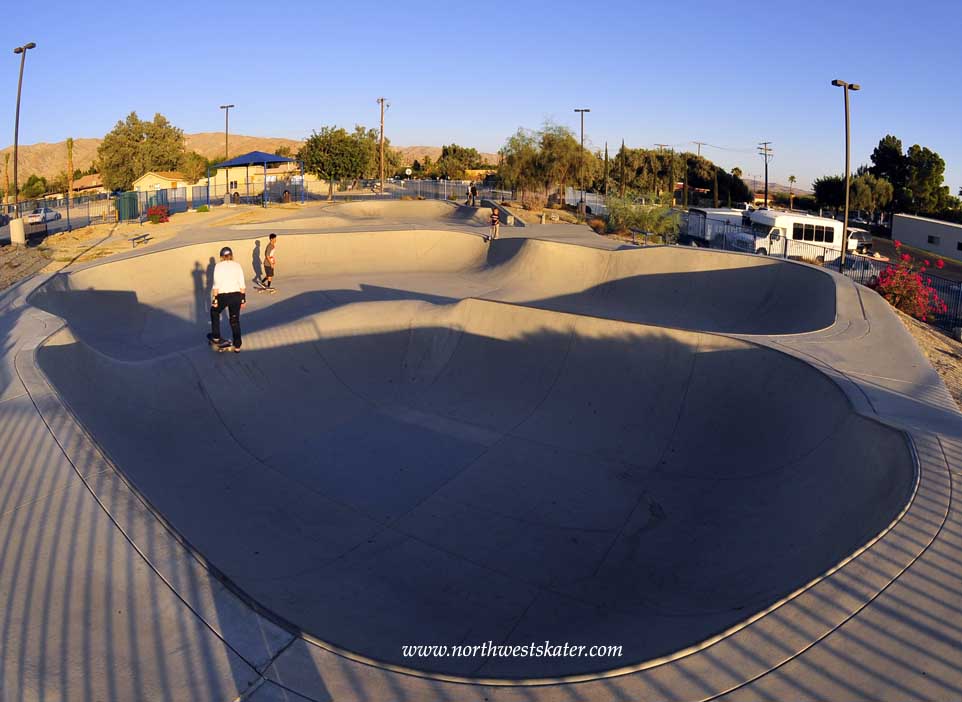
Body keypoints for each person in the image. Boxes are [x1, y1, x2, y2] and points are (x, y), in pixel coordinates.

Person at [210, 246, 246, 352]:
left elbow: (216, 284)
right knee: (234, 320)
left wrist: (215, 299)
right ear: (231, 255)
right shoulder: (237, 265)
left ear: (221, 256)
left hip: (223, 296)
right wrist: (243, 299)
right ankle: (238, 345)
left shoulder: (218, 266)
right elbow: (242, 283)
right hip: (236, 296)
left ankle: (216, 336)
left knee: (214, 312)